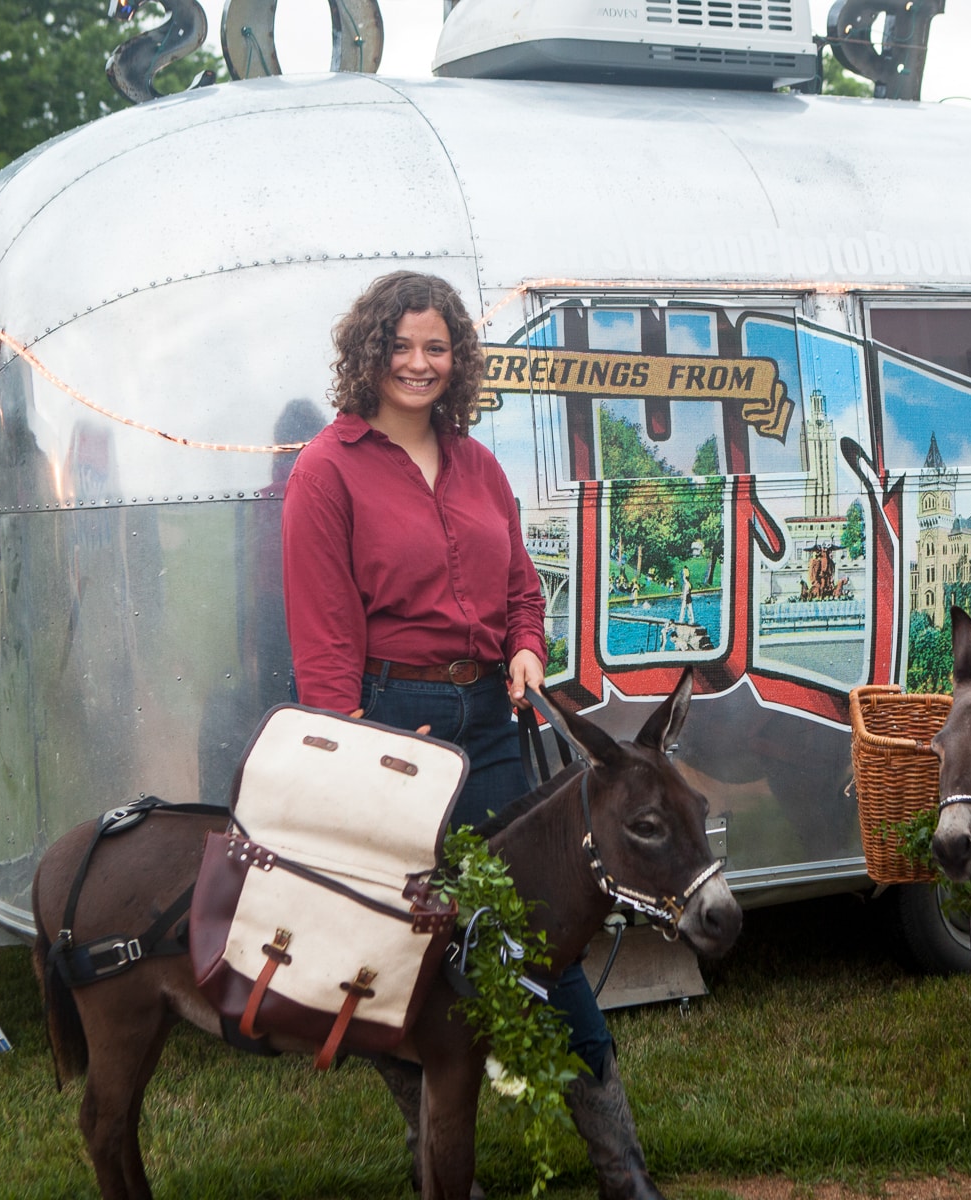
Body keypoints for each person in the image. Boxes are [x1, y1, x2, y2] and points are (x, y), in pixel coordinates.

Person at [281, 271, 666, 1200]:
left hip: (492, 725)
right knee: (391, 944)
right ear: (370, 354)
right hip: (390, 728)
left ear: (458, 360)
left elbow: (522, 589)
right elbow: (324, 639)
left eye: (437, 347)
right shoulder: (326, 470)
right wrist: (357, 759)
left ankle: (622, 1170)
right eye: (403, 346)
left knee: (544, 937)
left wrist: (528, 649)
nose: (420, 363)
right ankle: (442, 1163)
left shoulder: (480, 464)